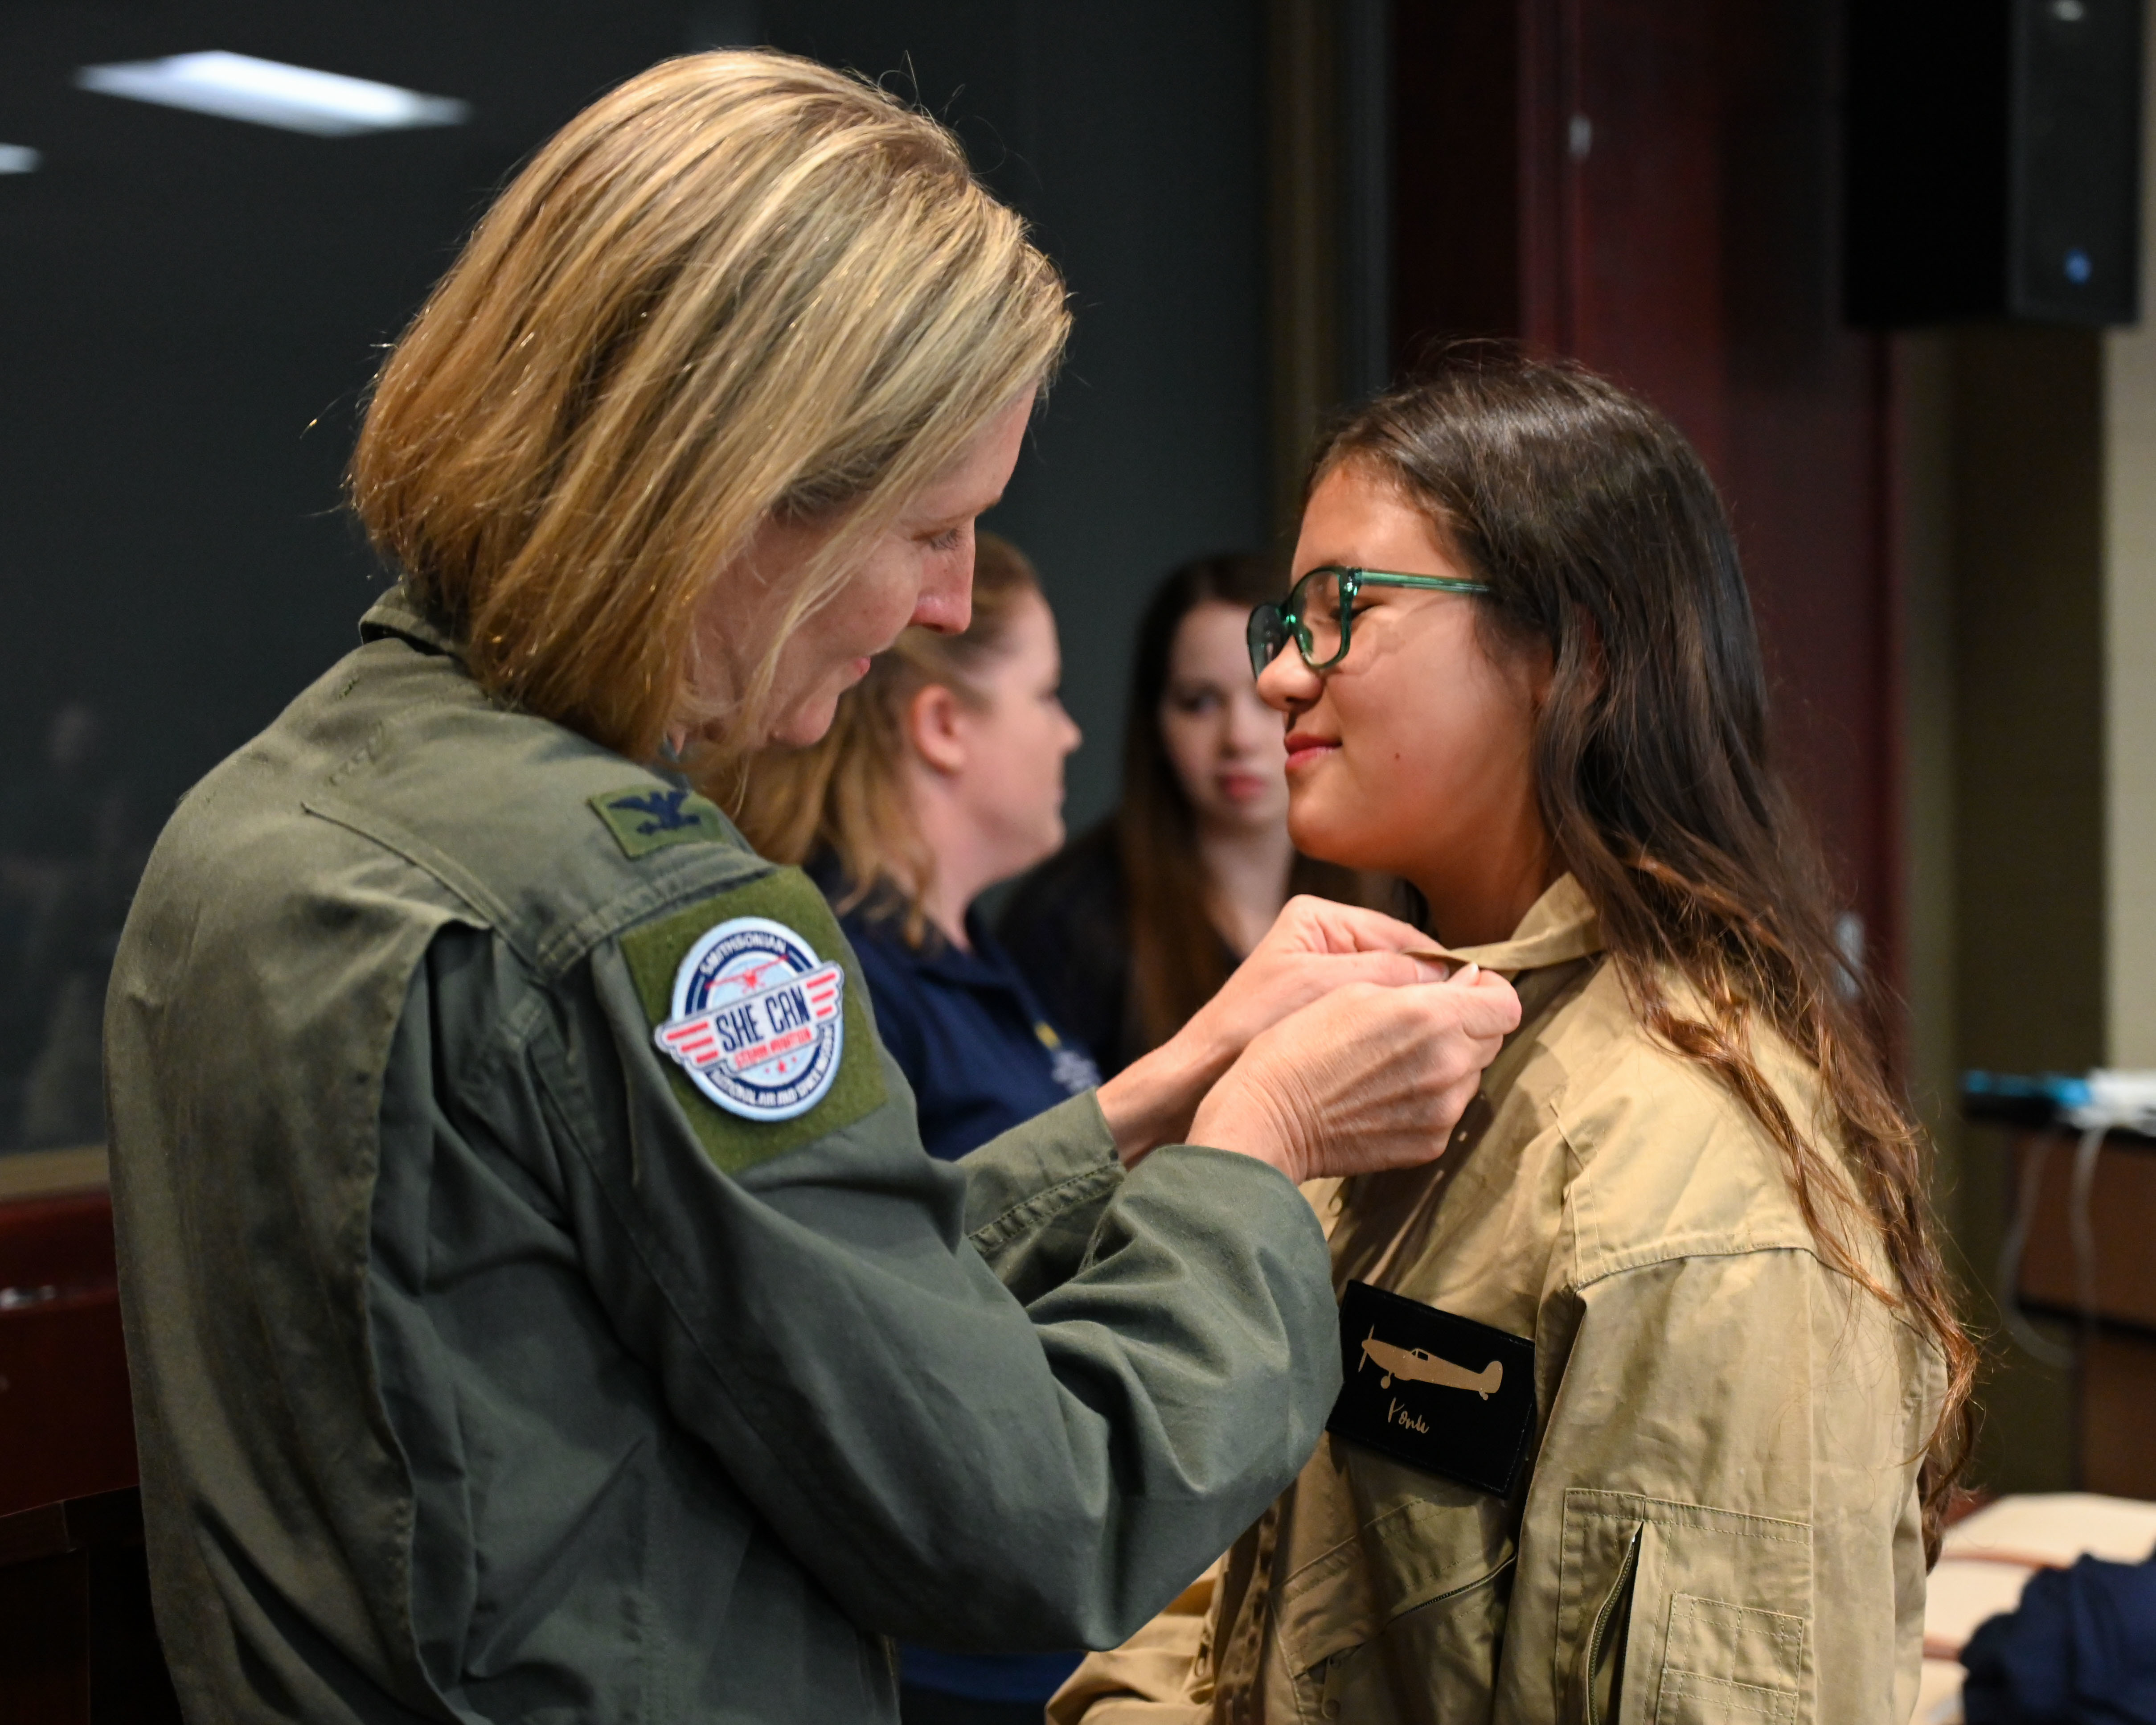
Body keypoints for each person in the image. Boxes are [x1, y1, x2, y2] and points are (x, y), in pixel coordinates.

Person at [101, 52, 1522, 1725]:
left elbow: (756, 1311)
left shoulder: (247, 824)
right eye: (935, 527)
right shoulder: (651, 920)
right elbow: (1031, 1510)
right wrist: (1259, 1157)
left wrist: (1151, 1099)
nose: (945, 599)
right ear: (726, 492)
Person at [1053, 351, 1975, 1724]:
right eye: (1285, 621)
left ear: (1570, 651)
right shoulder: (1383, 1057)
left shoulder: (1691, 1188)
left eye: (1342, 609)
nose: (1283, 680)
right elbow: (1244, 1597)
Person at [733, 532, 1102, 1721]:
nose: (1069, 735)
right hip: (941, 1653)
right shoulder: (832, 974)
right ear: (943, 725)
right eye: (1044, 696)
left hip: (1036, 1603)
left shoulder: (974, 953)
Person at [1000, 554, 1372, 1076]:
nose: (1238, 738)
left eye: (1268, 696)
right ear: (1154, 723)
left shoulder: (1389, 884)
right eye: (1199, 703)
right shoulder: (1069, 922)